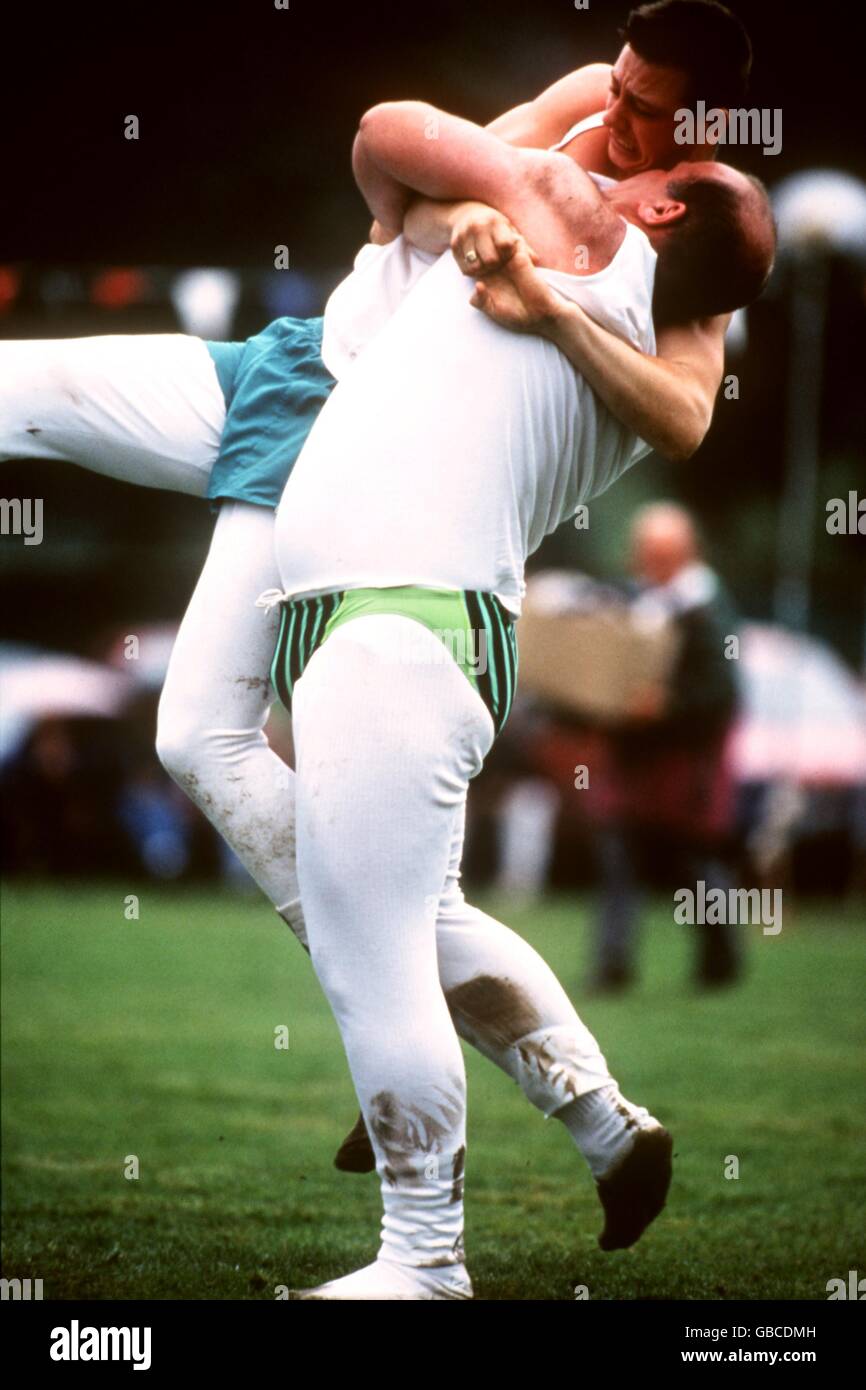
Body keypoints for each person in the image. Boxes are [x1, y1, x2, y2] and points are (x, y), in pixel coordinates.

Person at [0, 0, 764, 1175]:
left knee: (201, 741)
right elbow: (404, 183)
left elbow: (682, 418)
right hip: (293, 360)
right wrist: (481, 215)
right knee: (22, 385)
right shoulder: (570, 128)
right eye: (616, 82)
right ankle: (498, 1055)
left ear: (700, 133)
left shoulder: (684, 249)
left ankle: (432, 1027)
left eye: (646, 109)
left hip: (350, 459)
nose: (615, 113)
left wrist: (546, 294)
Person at [261, 95, 774, 1298]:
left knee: (374, 957)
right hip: (385, 618)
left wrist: (522, 257)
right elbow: (432, 183)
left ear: (655, 208)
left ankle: (424, 1259)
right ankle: (602, 1125)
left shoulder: (594, 273)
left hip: (403, 624)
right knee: (411, 924)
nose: (632, 146)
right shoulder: (579, 258)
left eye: (667, 156)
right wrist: (484, 221)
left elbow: (388, 129)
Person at [589, 503, 742, 991]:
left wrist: (666, 705)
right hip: (634, 758)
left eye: (662, 555)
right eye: (645, 554)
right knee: (617, 857)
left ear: (686, 553)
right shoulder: (630, 602)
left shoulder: (710, 610)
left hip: (685, 761)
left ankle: (720, 957)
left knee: (692, 865)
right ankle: (612, 967)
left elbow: (722, 692)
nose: (650, 565)